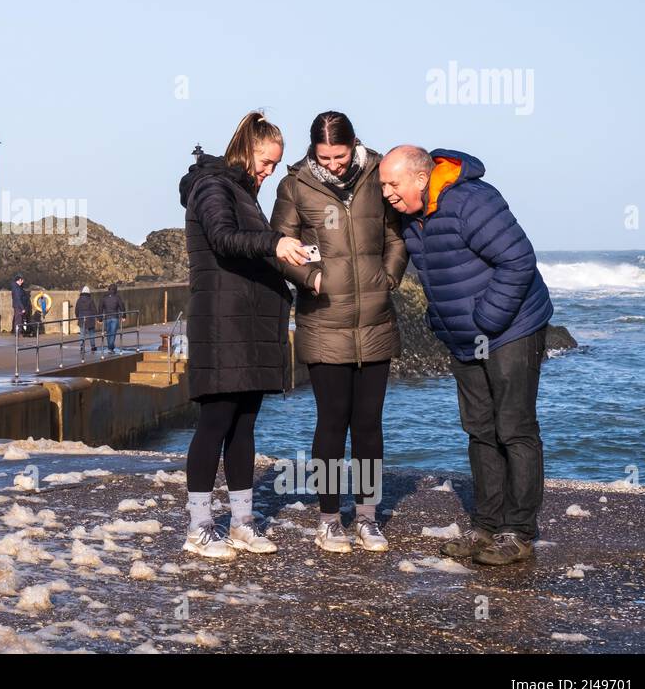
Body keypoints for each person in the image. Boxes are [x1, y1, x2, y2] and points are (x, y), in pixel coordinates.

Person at [380, 146, 553, 566]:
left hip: (513, 328)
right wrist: (443, 321)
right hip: (465, 337)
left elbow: (517, 260)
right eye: (383, 184)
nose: (386, 192)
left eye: (392, 184)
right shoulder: (412, 213)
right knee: (480, 429)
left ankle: (518, 533)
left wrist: (486, 319)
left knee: (514, 428)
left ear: (421, 179)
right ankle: (487, 527)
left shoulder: (472, 201)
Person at [270, 112, 407, 554]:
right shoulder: (294, 186)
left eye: (340, 155)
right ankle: (330, 520)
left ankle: (367, 518)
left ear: (354, 146)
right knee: (331, 424)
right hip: (323, 321)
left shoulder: (376, 173)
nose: (332, 164)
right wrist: (310, 278)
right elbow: (280, 247)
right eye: (324, 156)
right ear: (313, 150)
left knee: (368, 425)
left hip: (376, 321)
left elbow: (396, 237)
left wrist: (387, 279)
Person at [178, 110, 312, 559]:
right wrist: (273, 243)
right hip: (222, 322)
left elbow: (252, 249)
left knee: (244, 426)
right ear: (246, 148)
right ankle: (199, 528)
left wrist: (298, 262)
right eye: (266, 161)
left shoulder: (243, 191)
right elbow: (223, 237)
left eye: (276, 164)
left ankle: (242, 523)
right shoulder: (213, 186)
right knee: (215, 423)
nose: (270, 171)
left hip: (250, 324)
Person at [99, 283, 127, 353]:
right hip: (115, 317)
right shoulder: (117, 297)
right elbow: (122, 306)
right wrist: (124, 316)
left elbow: (100, 308)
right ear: (115, 290)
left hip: (107, 317)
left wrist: (100, 319)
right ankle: (111, 346)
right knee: (113, 333)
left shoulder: (104, 297)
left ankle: (110, 347)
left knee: (108, 333)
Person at [74, 286, 98, 356]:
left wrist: (78, 317)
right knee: (92, 333)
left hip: (81, 318)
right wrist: (97, 317)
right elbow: (94, 310)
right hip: (90, 318)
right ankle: (93, 346)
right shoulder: (90, 300)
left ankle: (82, 347)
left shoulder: (79, 300)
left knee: (82, 334)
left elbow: (76, 310)